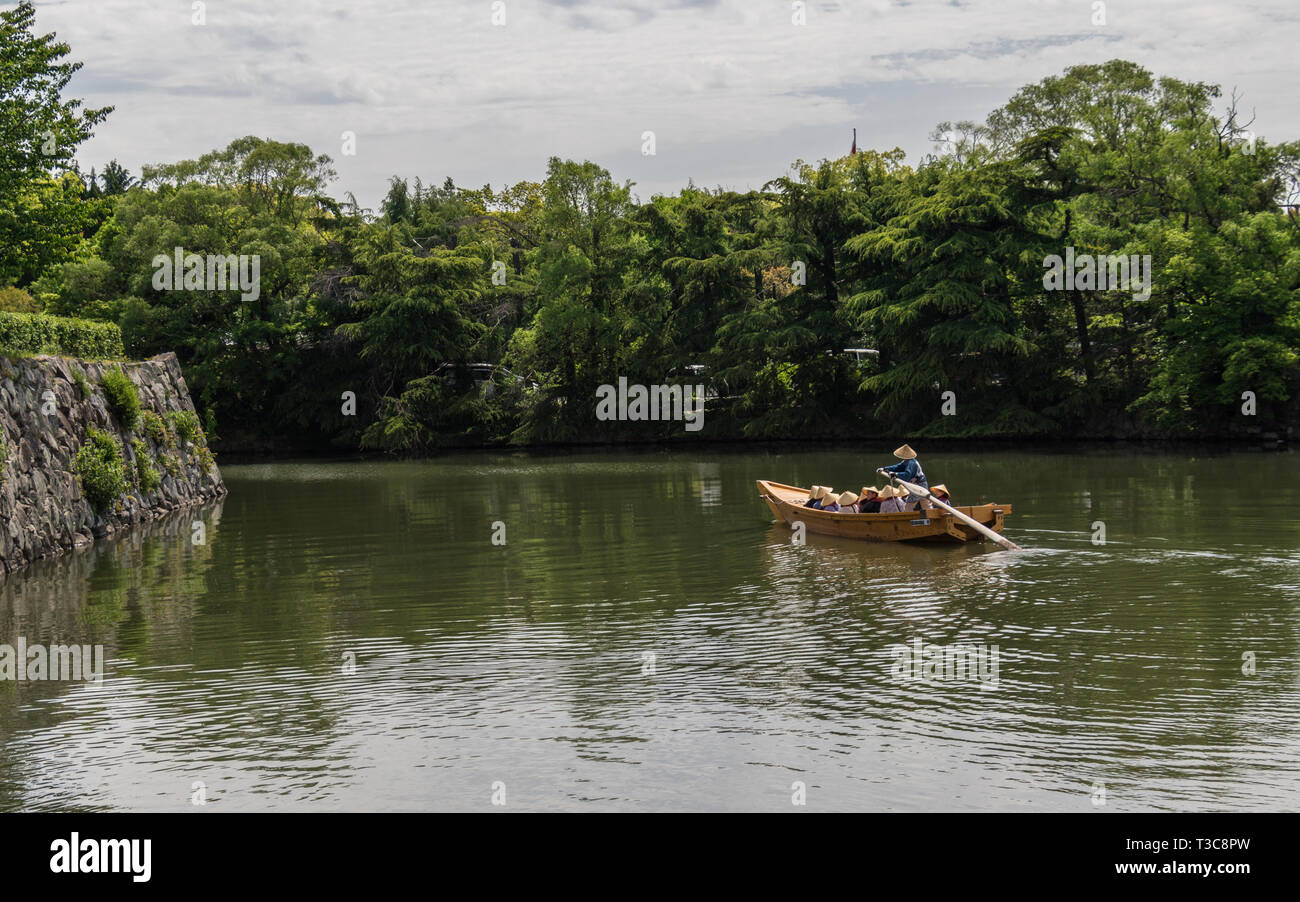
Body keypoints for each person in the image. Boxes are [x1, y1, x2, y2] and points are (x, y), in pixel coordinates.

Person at [879, 444, 928, 509]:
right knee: (925, 504)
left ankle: (907, 518)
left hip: (918, 485)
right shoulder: (907, 461)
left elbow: (907, 475)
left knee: (909, 506)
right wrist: (885, 469)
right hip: (921, 484)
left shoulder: (911, 463)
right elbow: (898, 467)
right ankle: (929, 517)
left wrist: (896, 474)